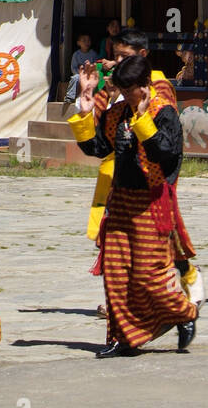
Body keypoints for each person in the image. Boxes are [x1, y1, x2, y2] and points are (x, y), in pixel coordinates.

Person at [70, 55, 198, 355]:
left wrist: (142, 121)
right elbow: (98, 148)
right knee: (115, 273)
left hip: (151, 202)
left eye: (132, 91)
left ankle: (184, 313)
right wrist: (86, 111)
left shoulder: (164, 113)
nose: (127, 97)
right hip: (121, 202)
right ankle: (122, 338)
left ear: (145, 85)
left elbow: (165, 155)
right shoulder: (116, 114)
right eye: (123, 92)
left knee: (148, 275)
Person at [87, 30, 204, 312]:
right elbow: (101, 131)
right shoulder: (113, 84)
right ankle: (121, 297)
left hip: (152, 172)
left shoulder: (159, 87)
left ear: (142, 56)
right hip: (120, 169)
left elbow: (163, 140)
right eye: (115, 55)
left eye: (124, 56)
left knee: (159, 237)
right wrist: (92, 98)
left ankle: (184, 281)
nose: (116, 61)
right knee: (118, 237)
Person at [64, 33, 99, 103]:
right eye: (84, 40)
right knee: (75, 78)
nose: (87, 42)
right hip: (79, 75)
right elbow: (73, 68)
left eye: (88, 40)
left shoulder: (93, 54)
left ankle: (95, 96)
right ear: (78, 43)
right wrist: (81, 74)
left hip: (90, 74)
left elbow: (97, 66)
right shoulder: (76, 54)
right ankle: (70, 96)